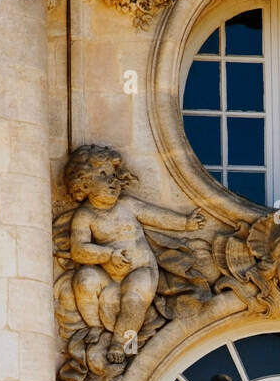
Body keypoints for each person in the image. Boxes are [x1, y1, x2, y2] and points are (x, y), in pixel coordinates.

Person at [65, 144, 205, 362]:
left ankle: (119, 343)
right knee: (84, 280)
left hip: (141, 269)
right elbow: (78, 250)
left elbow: (157, 216)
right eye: (103, 175)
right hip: (108, 274)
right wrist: (107, 255)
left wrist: (186, 223)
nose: (112, 181)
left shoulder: (127, 205)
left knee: (134, 297)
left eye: (113, 175)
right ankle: (94, 325)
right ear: (84, 182)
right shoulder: (84, 217)